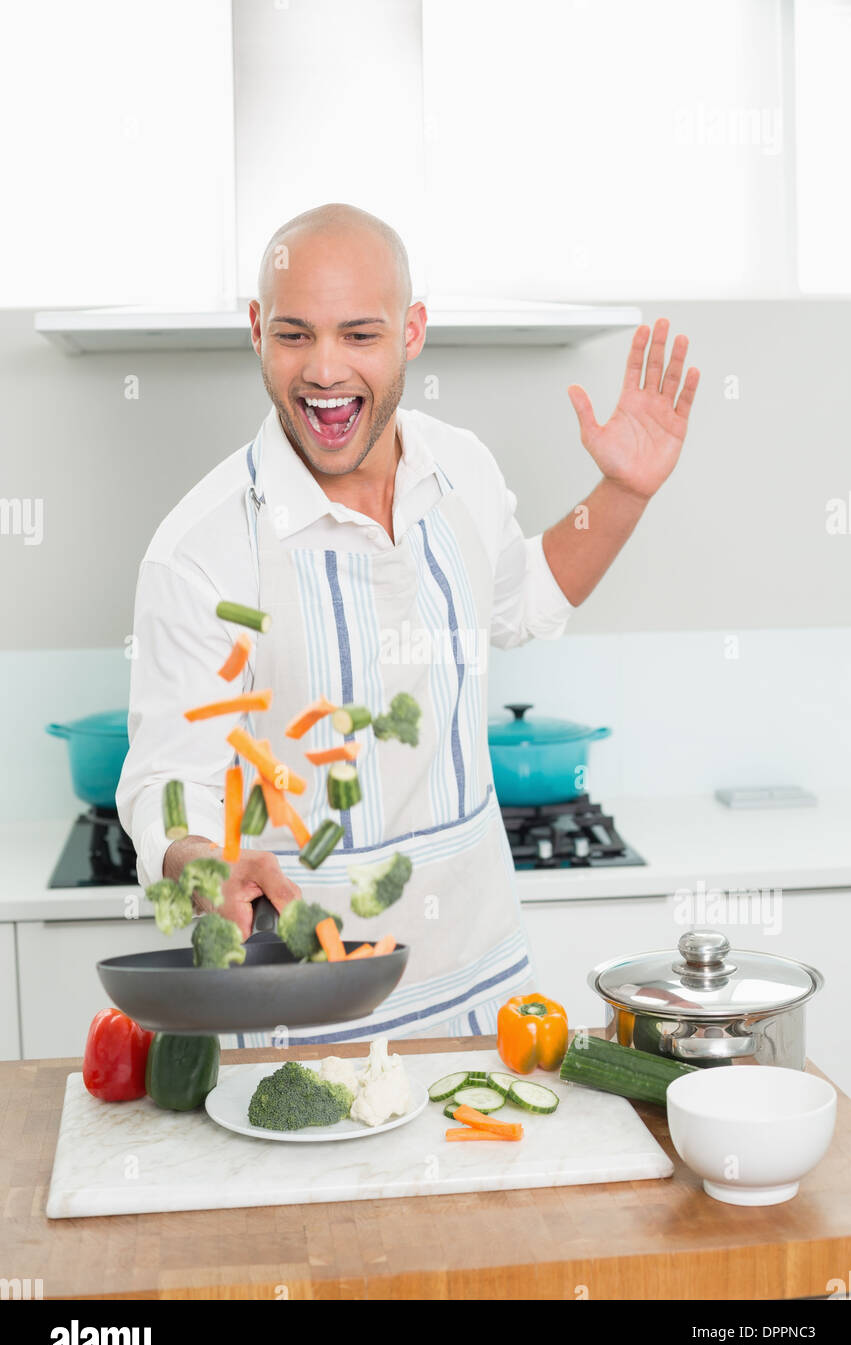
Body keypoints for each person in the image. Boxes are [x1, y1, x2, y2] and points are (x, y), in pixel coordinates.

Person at [116, 203, 699, 1045]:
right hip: (303, 1011)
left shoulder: (458, 466)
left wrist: (625, 493)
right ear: (254, 331)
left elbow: (519, 599)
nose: (324, 369)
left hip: (487, 993)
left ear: (411, 331)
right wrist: (202, 864)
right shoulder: (201, 551)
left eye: (359, 334)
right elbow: (165, 783)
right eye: (293, 335)